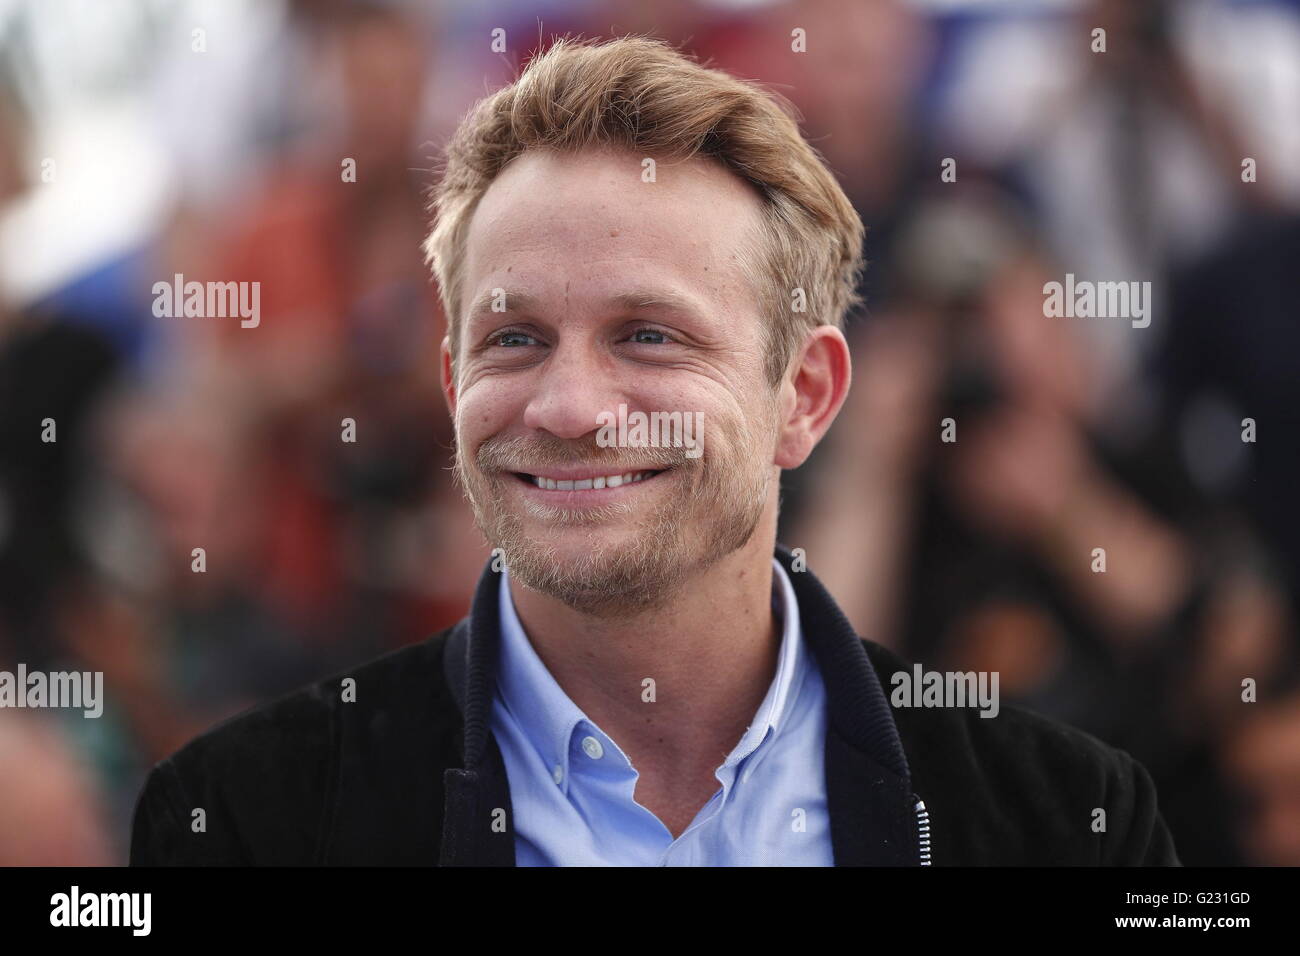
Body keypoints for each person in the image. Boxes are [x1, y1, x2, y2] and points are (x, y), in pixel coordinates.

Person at [130, 36, 1178, 866]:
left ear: (802, 396)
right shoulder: (241, 821)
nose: (571, 404)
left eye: (648, 334)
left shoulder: (1068, 819)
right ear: (454, 390)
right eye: (514, 338)